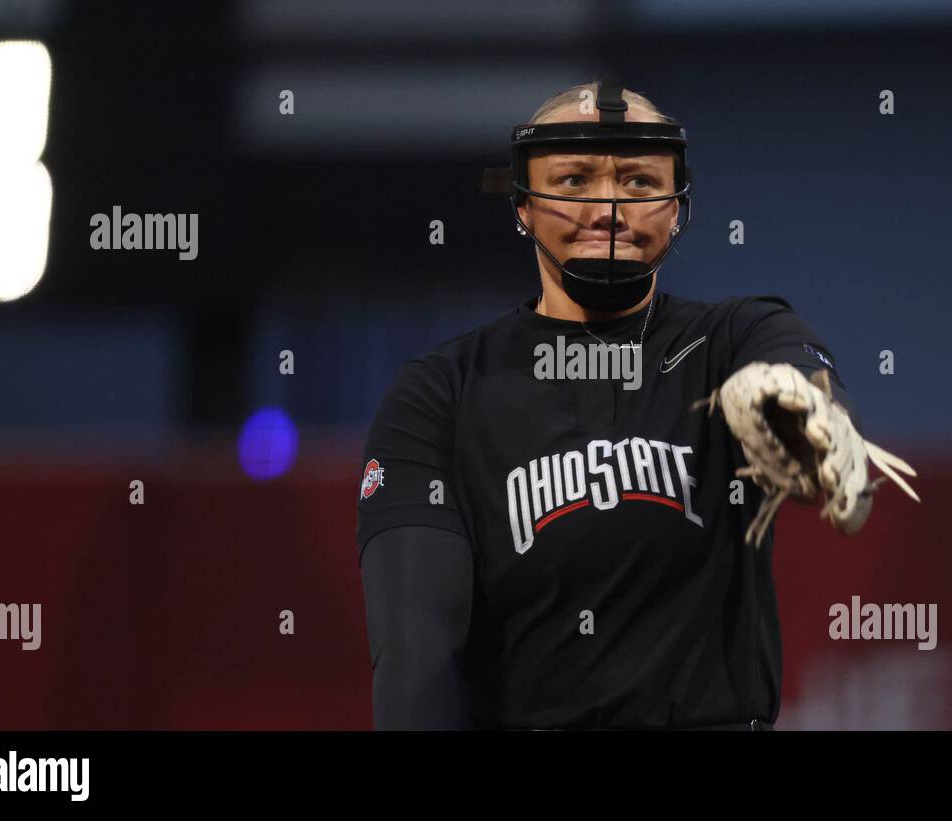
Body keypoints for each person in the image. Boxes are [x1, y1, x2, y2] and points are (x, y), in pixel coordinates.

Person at [356, 78, 913, 730]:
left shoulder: (732, 340)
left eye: (640, 182)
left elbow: (798, 379)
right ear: (522, 206)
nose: (607, 208)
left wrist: (812, 420)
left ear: (678, 208)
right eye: (573, 181)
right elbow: (417, 660)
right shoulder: (440, 392)